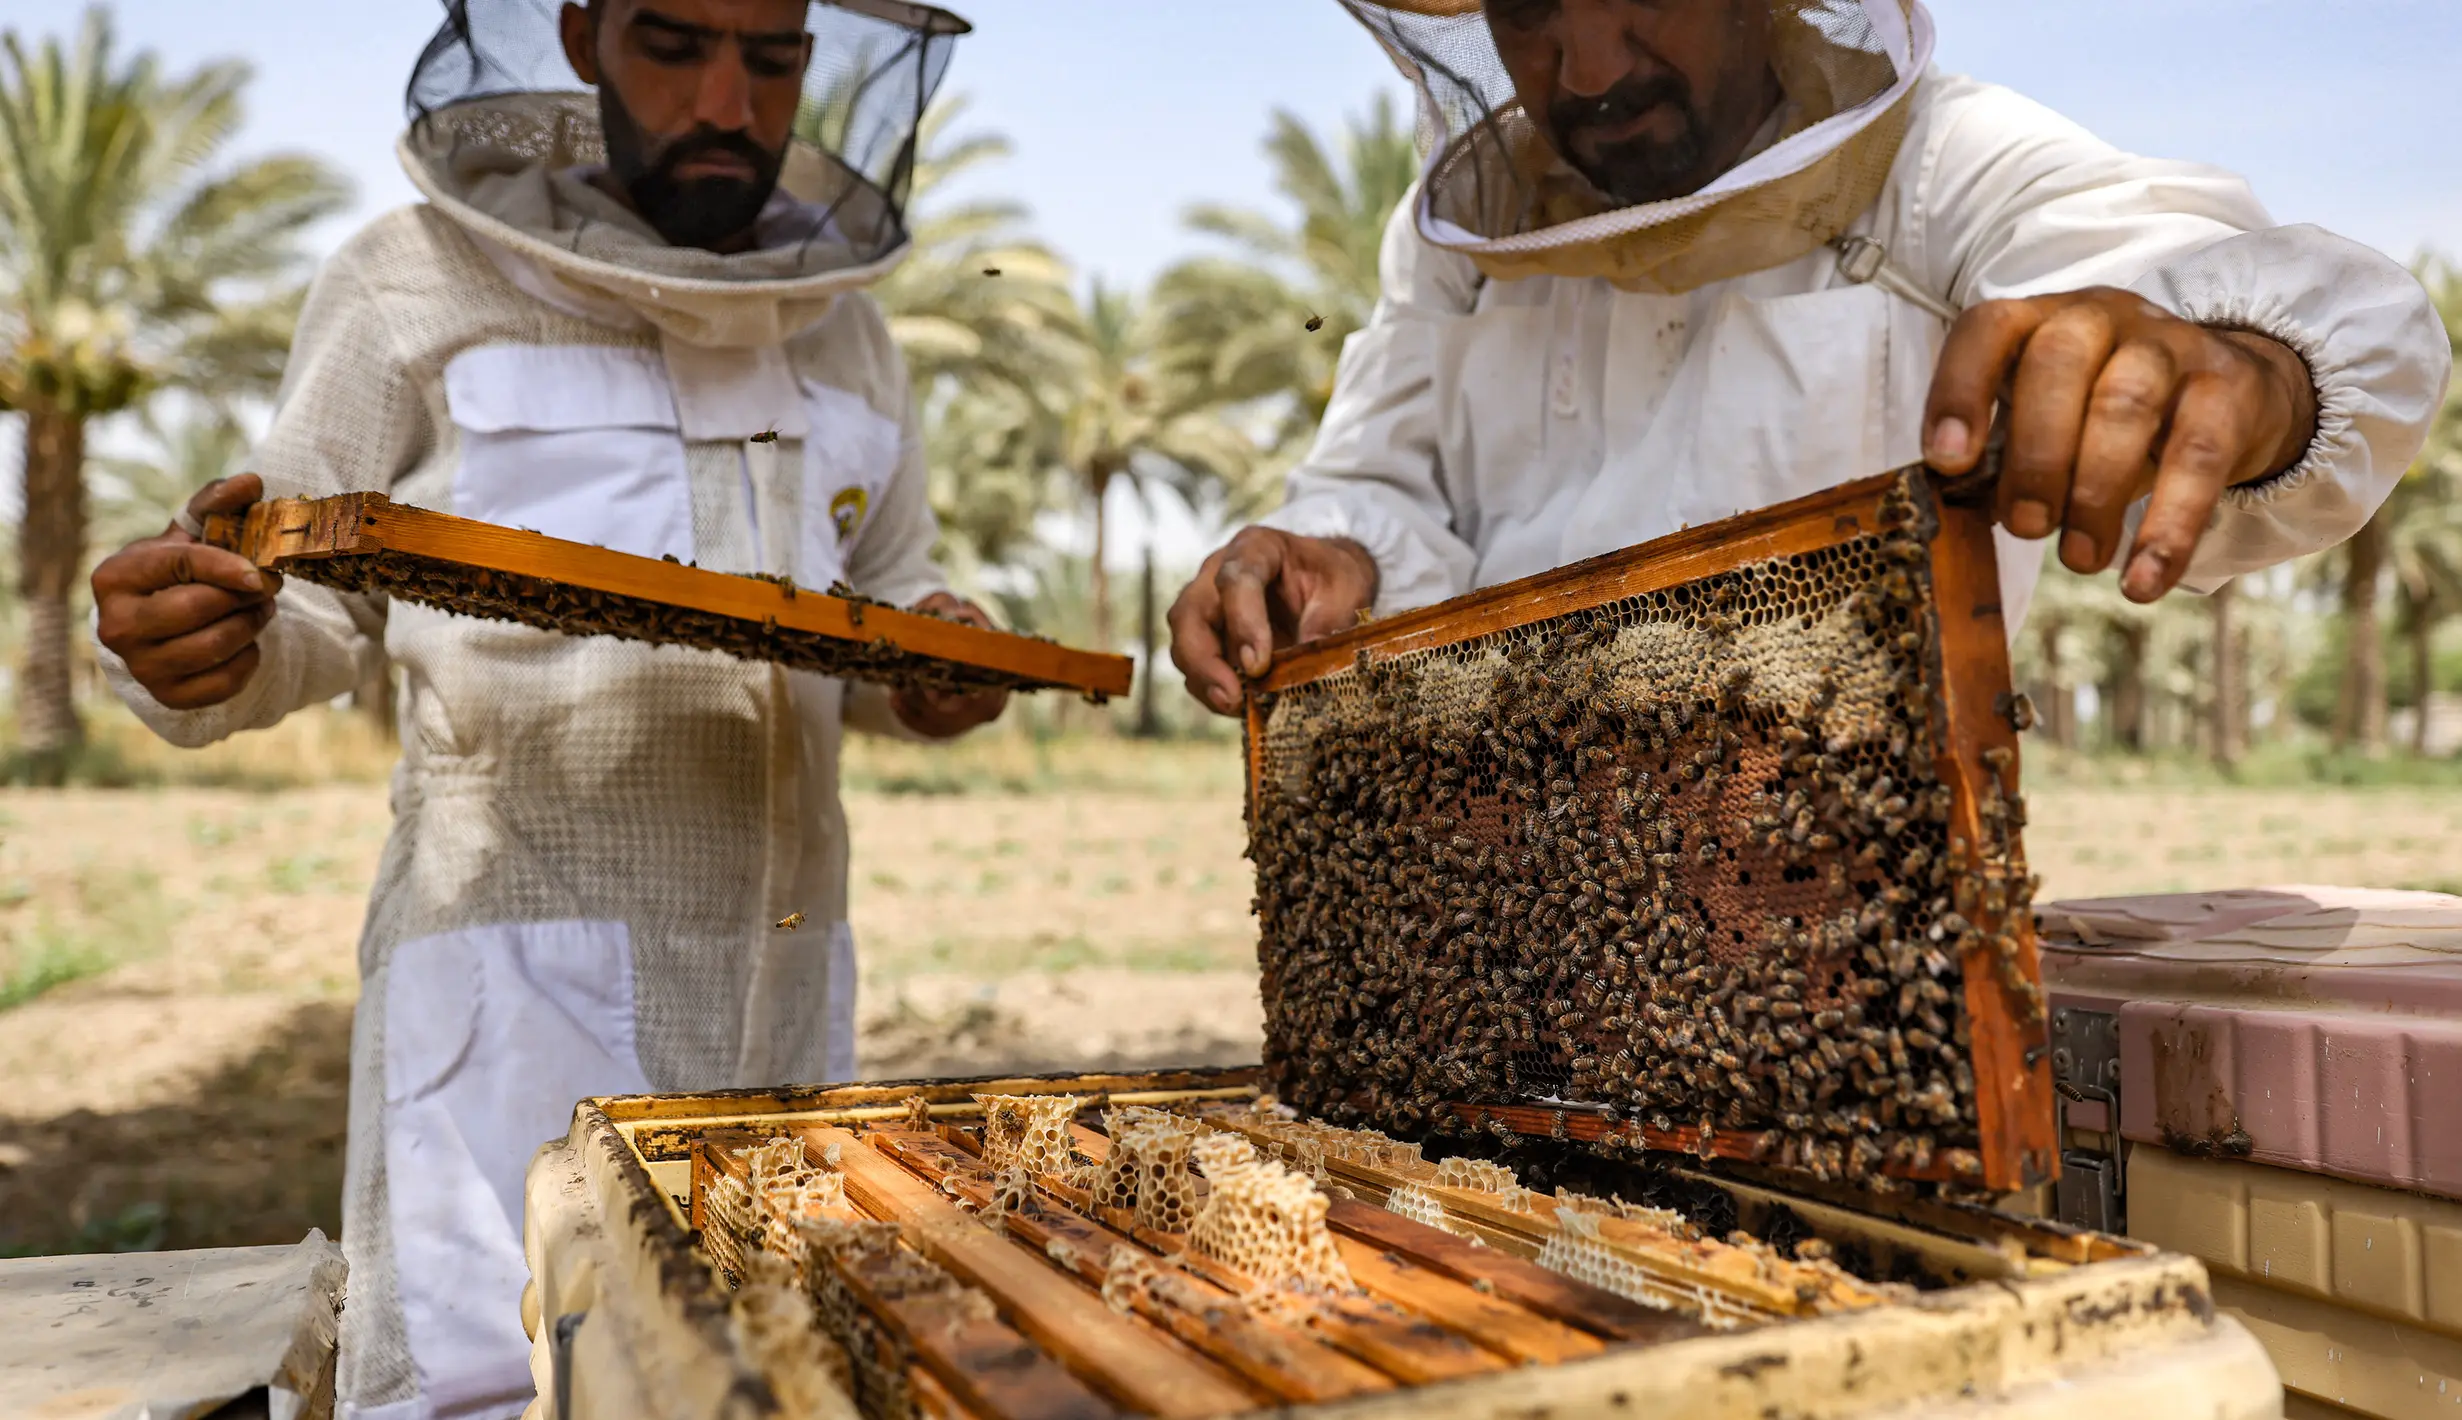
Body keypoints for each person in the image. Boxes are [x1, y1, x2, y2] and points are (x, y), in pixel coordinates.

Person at [87, 1, 990, 1414]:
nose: (727, 102)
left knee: (769, 1383)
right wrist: (200, 641)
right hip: (504, 1012)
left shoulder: (848, 330)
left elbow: (885, 603)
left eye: (772, 59)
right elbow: (307, 599)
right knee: (501, 1385)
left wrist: (943, 669)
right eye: (673, 42)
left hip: (789, 1005)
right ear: (577, 35)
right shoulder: (409, 279)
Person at [1170, 0, 2450, 711]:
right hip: (1502, 929)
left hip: (1828, 950)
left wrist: (2242, 370)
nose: (1590, 64)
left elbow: (2301, 314)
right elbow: (1381, 481)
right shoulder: (1461, 234)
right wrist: (1325, 553)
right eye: (1528, 8)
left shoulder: (1939, 162)